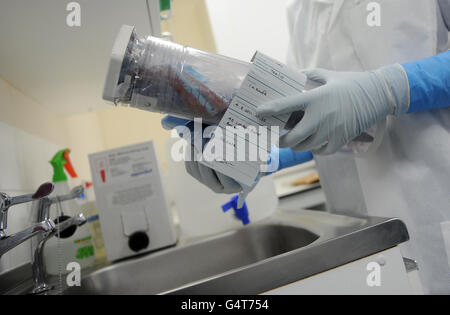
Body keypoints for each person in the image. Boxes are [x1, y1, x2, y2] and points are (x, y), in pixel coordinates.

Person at [164, 0, 450, 294]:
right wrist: (263, 158)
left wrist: (389, 89)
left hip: (437, 212)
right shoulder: (304, 10)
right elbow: (314, 121)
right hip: (364, 242)